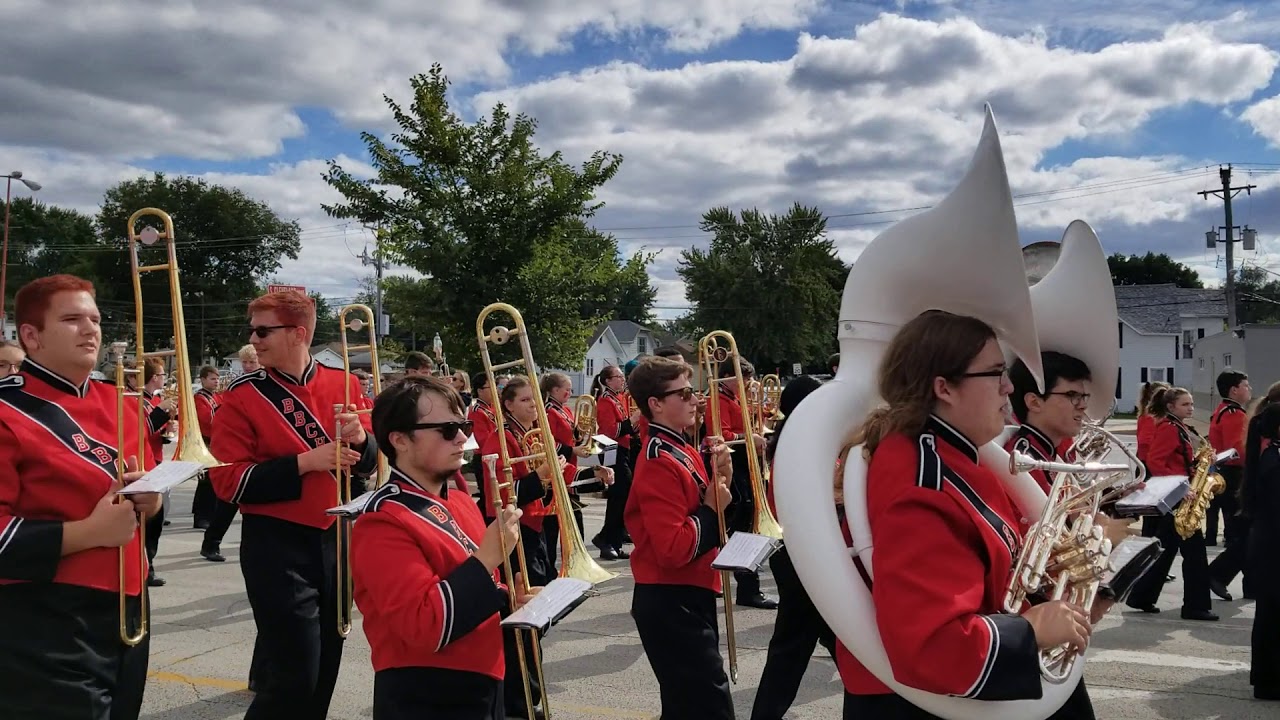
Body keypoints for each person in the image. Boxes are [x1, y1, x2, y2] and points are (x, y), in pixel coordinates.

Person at [837, 310, 1097, 719]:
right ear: (944, 387)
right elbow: (935, 645)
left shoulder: (954, 457)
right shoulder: (923, 482)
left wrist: (1067, 586)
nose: (1009, 387)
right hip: (920, 706)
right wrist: (1032, 629)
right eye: (995, 373)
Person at [209, 289, 380, 720]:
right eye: (253, 330)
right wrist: (306, 462)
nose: (254, 339)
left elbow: (372, 463)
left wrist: (362, 439)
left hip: (336, 538)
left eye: (263, 331)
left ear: (298, 333)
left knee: (326, 670)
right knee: (294, 677)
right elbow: (227, 481)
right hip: (276, 544)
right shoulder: (242, 395)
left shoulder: (345, 383)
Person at [0, 274, 163, 720]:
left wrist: (152, 503)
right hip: (43, 619)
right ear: (31, 336)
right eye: (72, 319)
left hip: (129, 608)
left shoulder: (124, 404)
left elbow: (146, 493)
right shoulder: (6, 409)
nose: (91, 329)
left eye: (95, 319)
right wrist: (87, 533)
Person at [353, 376, 536, 719]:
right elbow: (425, 626)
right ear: (400, 440)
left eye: (463, 426)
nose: (463, 438)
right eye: (448, 429)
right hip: (425, 695)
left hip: (482, 684)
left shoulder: (460, 500)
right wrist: (487, 558)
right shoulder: (381, 521)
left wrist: (511, 600)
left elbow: (472, 588)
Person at [626, 356, 735, 720]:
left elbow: (706, 506)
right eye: (685, 393)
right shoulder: (659, 458)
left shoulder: (682, 447)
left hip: (687, 592)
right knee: (709, 708)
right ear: (655, 404)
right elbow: (673, 548)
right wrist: (711, 509)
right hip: (671, 598)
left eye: (694, 391)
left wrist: (724, 477)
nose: (695, 400)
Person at [750, 374, 836, 720]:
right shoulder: (802, 445)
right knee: (792, 650)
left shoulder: (797, 439)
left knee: (806, 647)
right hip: (804, 556)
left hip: (801, 555)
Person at [1124, 386, 1216, 621]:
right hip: (1177, 498)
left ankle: (1141, 597)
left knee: (1165, 550)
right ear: (1170, 406)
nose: (1191, 408)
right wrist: (1180, 489)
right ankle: (1195, 606)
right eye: (1185, 404)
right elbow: (1156, 462)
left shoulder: (1179, 427)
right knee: (1195, 555)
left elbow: (1178, 460)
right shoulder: (1168, 428)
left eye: (1191, 404)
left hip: (1179, 496)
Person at [705, 355, 775, 609]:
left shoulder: (735, 398)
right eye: (743, 378)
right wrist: (749, 436)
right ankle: (745, 581)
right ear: (728, 377)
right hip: (733, 464)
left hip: (746, 462)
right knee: (743, 520)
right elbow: (720, 434)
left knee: (747, 520)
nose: (747, 383)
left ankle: (745, 576)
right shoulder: (718, 399)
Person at [1244, 403, 1280, 700]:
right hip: (1273, 548)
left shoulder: (1271, 455)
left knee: (1270, 616)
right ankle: (1269, 682)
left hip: (1270, 546)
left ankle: (1268, 680)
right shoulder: (1274, 461)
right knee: (1272, 618)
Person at [1207, 371, 1250, 599]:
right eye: (1245, 385)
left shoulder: (1224, 410)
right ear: (1234, 390)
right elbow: (1237, 450)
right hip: (1235, 475)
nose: (1249, 389)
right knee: (1244, 534)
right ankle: (1218, 573)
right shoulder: (1234, 413)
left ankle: (1252, 585)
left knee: (1241, 532)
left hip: (1227, 474)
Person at [592, 365, 636, 560]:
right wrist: (632, 420)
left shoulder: (619, 398)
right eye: (618, 377)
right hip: (609, 449)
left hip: (621, 448)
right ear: (608, 381)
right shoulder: (605, 400)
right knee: (619, 495)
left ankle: (614, 542)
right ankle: (605, 539)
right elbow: (609, 431)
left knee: (622, 497)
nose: (622, 379)